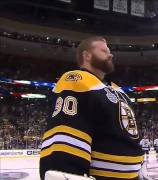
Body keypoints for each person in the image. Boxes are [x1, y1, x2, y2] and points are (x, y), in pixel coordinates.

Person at [39, 37, 143, 180]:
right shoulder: (77, 80)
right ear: (87, 56)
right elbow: (64, 141)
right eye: (104, 50)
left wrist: (139, 167)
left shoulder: (119, 90)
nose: (110, 54)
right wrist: (66, 173)